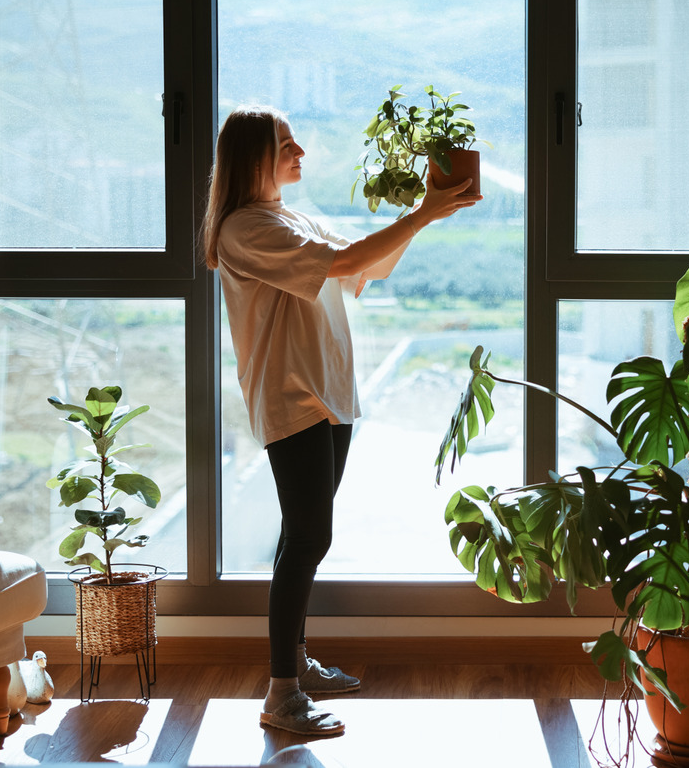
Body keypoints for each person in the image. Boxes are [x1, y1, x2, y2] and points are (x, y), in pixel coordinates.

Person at [200, 105, 479, 737]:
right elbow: (346, 262)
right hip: (293, 397)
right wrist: (422, 211)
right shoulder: (245, 229)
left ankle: (295, 665)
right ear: (253, 157)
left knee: (301, 537)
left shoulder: (292, 219)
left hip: (328, 395)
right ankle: (281, 694)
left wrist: (426, 214)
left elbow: (367, 266)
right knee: (308, 539)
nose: (300, 151)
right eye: (286, 143)